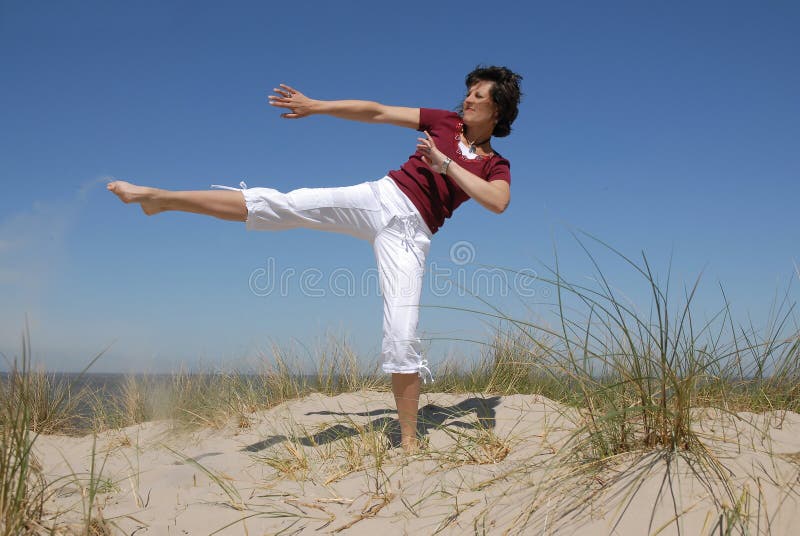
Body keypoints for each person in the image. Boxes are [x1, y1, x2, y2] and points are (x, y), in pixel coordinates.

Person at [108, 65, 522, 452]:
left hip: (412, 235)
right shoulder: (443, 122)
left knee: (402, 332)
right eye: (467, 92)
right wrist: (316, 106)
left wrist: (445, 165)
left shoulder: (494, 164)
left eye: (478, 95)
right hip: (380, 198)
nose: (467, 99)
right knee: (283, 204)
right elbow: (376, 112)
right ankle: (160, 198)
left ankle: (410, 443)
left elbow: (499, 203)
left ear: (497, 108)